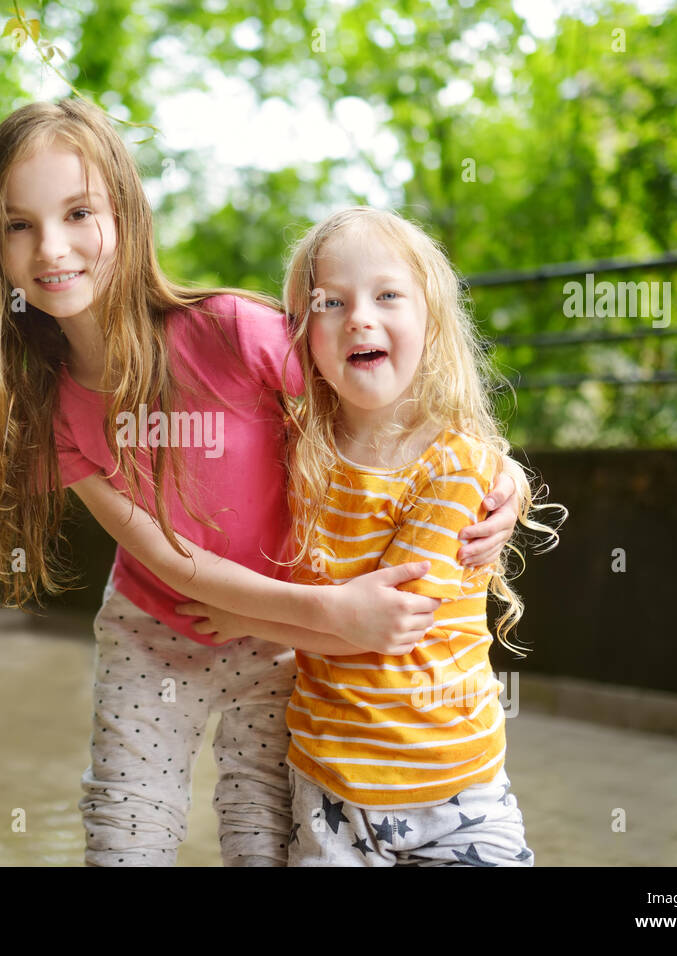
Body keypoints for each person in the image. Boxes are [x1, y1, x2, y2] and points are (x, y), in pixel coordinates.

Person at [0, 99, 524, 866]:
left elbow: (380, 408)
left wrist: (496, 469)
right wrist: (332, 612)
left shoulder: (233, 331)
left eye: (79, 212)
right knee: (125, 826)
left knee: (263, 832)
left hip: (288, 635)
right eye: (19, 224)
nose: (52, 247)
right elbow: (172, 562)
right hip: (165, 627)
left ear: (128, 212)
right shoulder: (49, 406)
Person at [178, 207, 566, 866]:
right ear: (300, 336)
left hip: (458, 795)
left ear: (431, 322)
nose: (360, 317)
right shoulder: (294, 453)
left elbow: (384, 624)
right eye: (330, 303)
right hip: (330, 791)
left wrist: (240, 613)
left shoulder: (456, 464)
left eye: (387, 295)